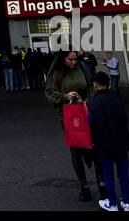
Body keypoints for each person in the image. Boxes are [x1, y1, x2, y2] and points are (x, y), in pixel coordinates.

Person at [44, 49, 107, 203]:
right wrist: (65, 96)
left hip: (85, 110)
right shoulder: (57, 73)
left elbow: (92, 85)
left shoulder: (82, 67)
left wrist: (89, 100)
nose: (73, 62)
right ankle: (84, 186)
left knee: (95, 147)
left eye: (75, 59)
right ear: (63, 59)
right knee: (76, 150)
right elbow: (50, 92)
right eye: (70, 59)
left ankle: (102, 185)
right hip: (69, 115)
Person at [87, 71, 129, 211]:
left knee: (108, 175)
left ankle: (112, 203)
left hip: (104, 144)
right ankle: (127, 203)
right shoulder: (118, 99)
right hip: (121, 142)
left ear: (95, 85)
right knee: (124, 174)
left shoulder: (92, 103)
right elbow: (125, 120)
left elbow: (90, 122)